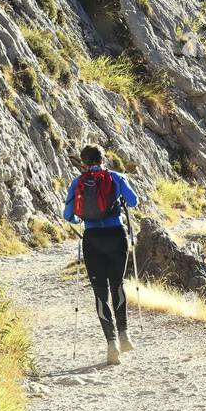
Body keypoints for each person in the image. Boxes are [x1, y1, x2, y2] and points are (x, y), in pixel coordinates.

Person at [63, 144, 139, 365]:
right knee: (117, 285)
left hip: (92, 239)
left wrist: (82, 218)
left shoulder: (77, 183)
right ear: (103, 159)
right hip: (116, 236)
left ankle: (111, 343)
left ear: (83, 163)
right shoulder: (115, 177)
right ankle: (124, 334)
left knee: (100, 292)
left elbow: (69, 215)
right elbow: (134, 201)